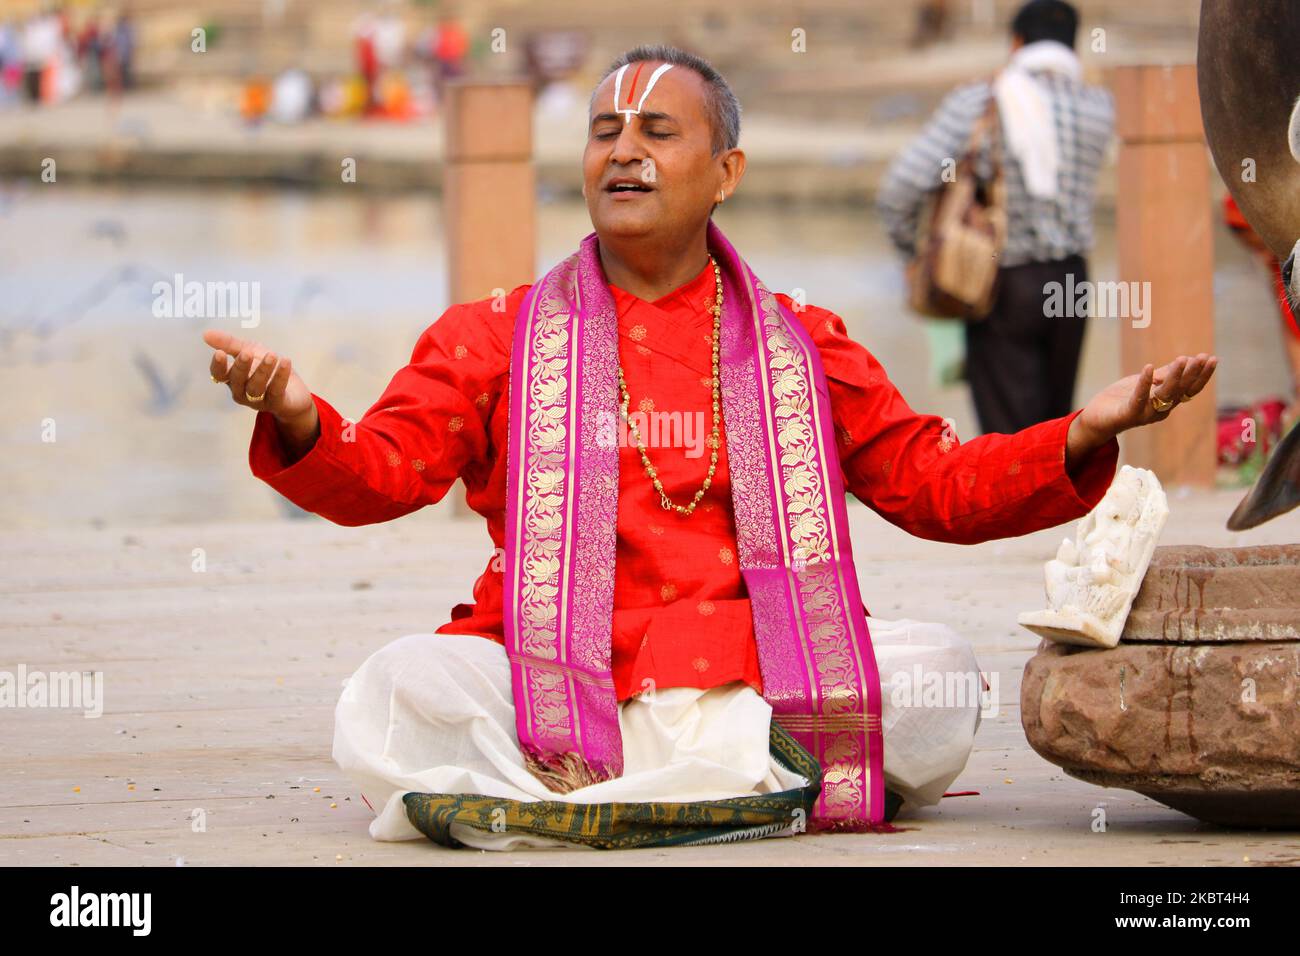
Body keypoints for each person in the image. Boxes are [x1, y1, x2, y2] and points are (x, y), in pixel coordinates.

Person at [203, 44, 1215, 850]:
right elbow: (383, 470)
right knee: (396, 688)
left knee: (937, 676)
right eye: (604, 132)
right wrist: (298, 414)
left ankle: (600, 803)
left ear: (725, 170)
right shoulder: (493, 333)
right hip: (557, 676)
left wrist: (1078, 432)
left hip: (757, 670)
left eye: (655, 129)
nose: (621, 152)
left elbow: (934, 483)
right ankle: (741, 791)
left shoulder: (801, 340)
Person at [878, 0, 1114, 435]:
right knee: (1058, 433)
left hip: (1003, 284)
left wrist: (912, 254)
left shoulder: (982, 100)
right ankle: (1058, 505)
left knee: (1010, 443)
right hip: (1073, 282)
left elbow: (900, 187)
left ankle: (1019, 506)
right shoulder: (1099, 106)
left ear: (1017, 43)